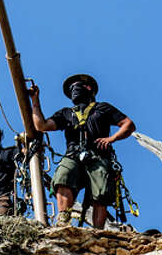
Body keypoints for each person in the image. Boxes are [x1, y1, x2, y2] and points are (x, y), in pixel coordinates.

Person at [30, 73, 134, 229]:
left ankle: (98, 231)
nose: (74, 89)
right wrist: (35, 101)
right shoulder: (66, 113)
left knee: (101, 192)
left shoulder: (103, 108)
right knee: (64, 176)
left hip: (98, 155)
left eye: (78, 85)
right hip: (73, 154)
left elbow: (128, 124)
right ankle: (63, 222)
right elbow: (42, 126)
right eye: (72, 87)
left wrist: (111, 139)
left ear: (89, 88)